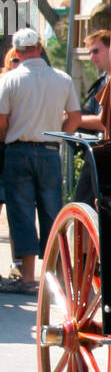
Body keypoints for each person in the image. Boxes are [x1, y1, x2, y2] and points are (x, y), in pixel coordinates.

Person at [0, 27, 81, 295]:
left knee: (21, 214)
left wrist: (8, 135)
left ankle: (27, 277)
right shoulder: (62, 78)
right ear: (39, 47)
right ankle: (53, 274)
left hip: (18, 150)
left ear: (19, 53)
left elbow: (2, 122)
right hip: (49, 149)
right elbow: (75, 116)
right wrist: (62, 135)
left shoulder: (9, 81)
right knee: (51, 211)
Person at [0, 49, 22, 279]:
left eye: (21, 58)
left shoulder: (27, 85)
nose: (18, 62)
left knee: (19, 214)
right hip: (2, 149)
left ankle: (17, 264)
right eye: (14, 59)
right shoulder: (4, 83)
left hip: (17, 149)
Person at [78, 29, 111, 135]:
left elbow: (105, 122)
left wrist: (73, 120)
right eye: (90, 52)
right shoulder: (102, 81)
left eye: (96, 51)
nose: (91, 56)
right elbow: (91, 111)